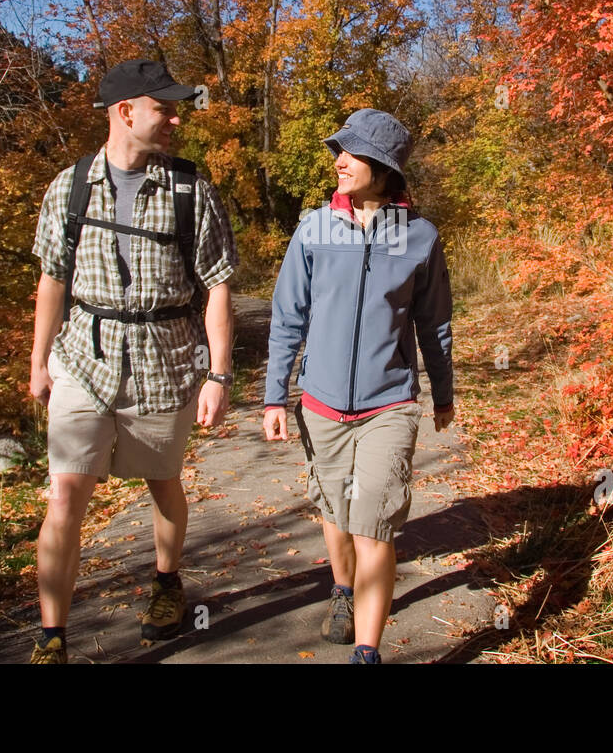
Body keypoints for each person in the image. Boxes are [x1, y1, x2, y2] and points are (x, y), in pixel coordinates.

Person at [27, 59, 237, 663]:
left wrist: (218, 374)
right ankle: (52, 639)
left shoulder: (192, 191)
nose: (175, 118)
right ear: (125, 112)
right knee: (66, 495)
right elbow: (51, 280)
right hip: (82, 362)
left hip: (164, 361)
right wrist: (39, 362)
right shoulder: (68, 188)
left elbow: (218, 285)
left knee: (162, 482)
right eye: (164, 108)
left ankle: (168, 584)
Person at [263, 107, 455, 664]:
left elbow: (434, 322)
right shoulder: (314, 227)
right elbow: (287, 315)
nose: (339, 163)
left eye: (352, 155)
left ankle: (367, 653)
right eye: (339, 152)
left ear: (385, 168)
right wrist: (276, 394)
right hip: (320, 403)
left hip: (389, 404)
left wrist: (441, 392)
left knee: (374, 520)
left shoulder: (419, 237)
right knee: (335, 511)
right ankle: (342, 591)